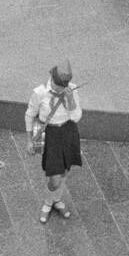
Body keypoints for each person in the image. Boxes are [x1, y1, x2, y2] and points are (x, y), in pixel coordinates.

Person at [26, 60, 83, 224]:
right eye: (58, 85)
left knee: (64, 170)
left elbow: (76, 117)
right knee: (54, 178)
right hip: (51, 134)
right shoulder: (40, 93)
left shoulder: (71, 89)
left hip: (68, 131)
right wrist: (29, 139)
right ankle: (48, 202)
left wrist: (70, 101)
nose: (60, 89)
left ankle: (57, 200)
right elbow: (30, 114)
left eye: (63, 86)